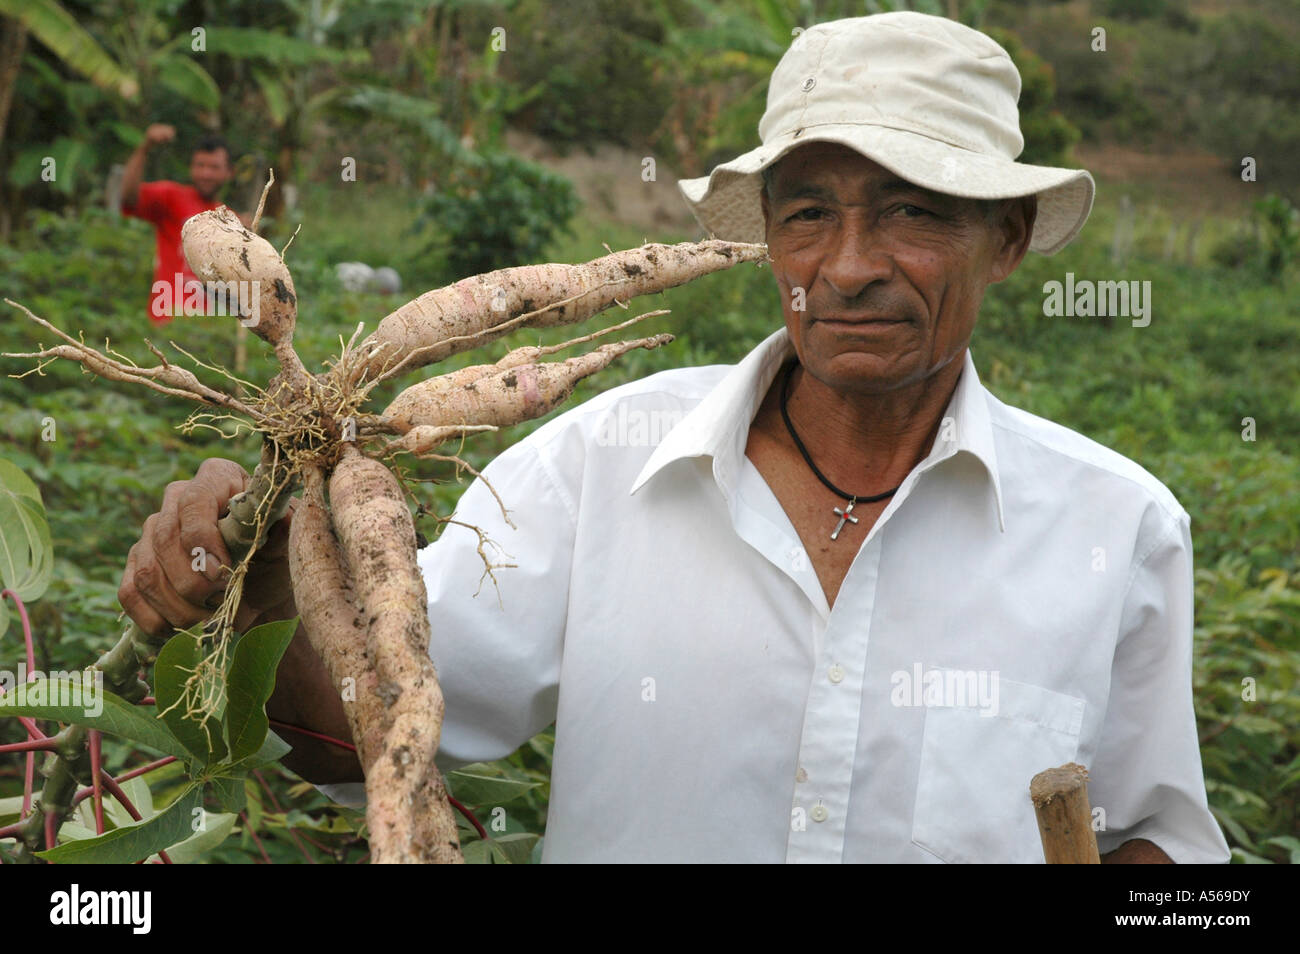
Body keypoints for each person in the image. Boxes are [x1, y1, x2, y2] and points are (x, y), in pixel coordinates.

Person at [117, 13, 1231, 863]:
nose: (846, 266)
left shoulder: (1116, 525)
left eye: (911, 210)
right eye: (807, 213)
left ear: (1008, 235)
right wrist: (263, 597)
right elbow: (372, 723)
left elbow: (1164, 847)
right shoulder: (597, 463)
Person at [119, 125, 242, 325]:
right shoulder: (171, 197)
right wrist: (145, 148)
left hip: (208, 327)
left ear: (230, 172)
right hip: (166, 320)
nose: (205, 173)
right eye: (200, 165)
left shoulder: (232, 220)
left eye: (214, 167)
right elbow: (128, 198)